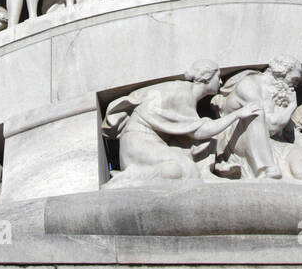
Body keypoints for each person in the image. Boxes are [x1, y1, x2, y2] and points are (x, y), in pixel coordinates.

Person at [102, 60, 261, 185]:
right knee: (186, 170)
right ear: (206, 77)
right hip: (138, 145)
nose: (220, 82)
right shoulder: (182, 94)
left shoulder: (184, 92)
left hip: (152, 142)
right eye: (217, 77)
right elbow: (200, 131)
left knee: (198, 150)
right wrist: (238, 114)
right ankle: (130, 177)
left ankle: (206, 172)